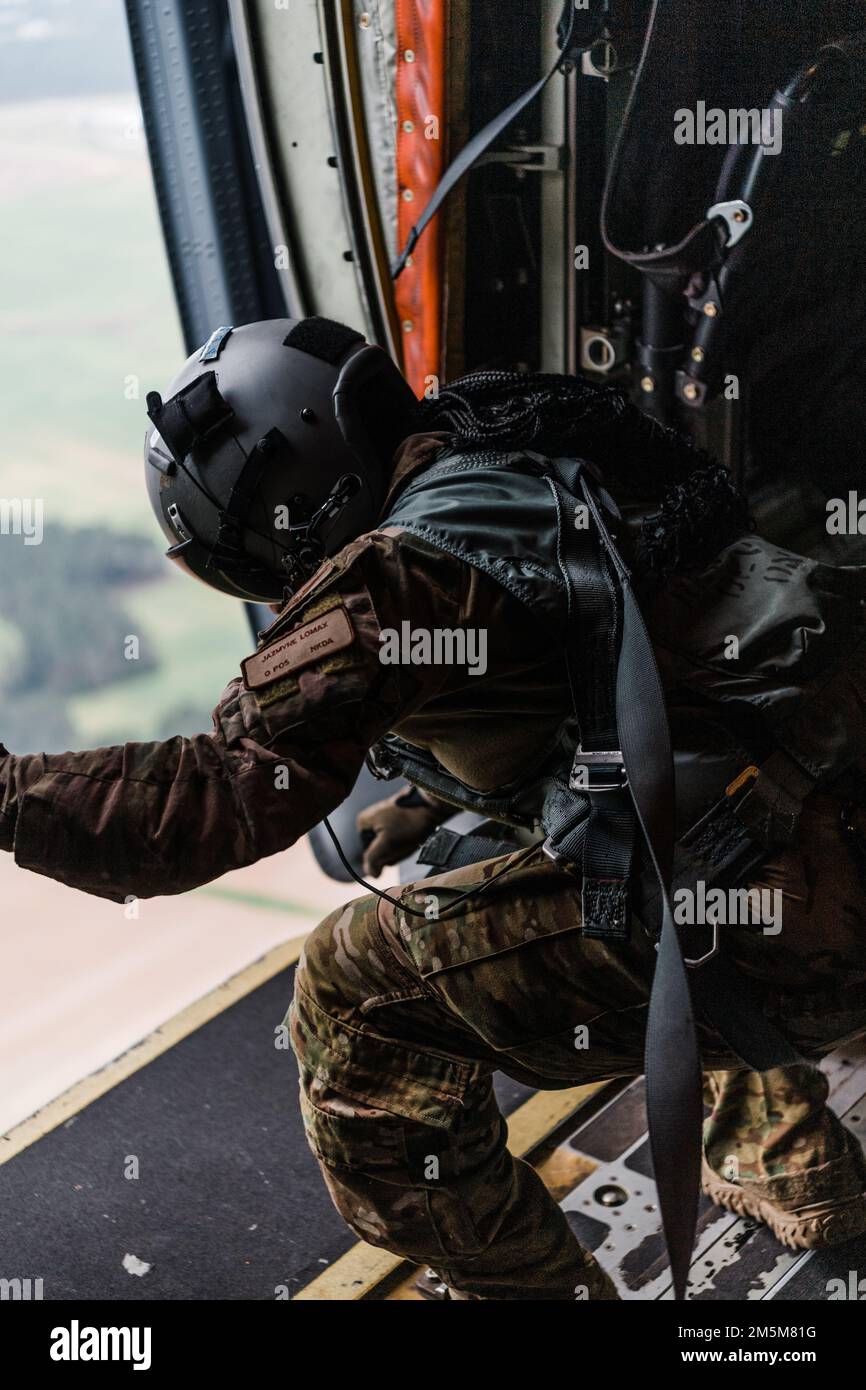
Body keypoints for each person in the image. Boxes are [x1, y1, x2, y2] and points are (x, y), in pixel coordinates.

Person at [2, 316, 865, 1301]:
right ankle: (786, 1152)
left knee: (352, 997)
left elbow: (206, 801)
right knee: (653, 826)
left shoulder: (401, 572)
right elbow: (619, 668)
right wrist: (424, 797)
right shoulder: (525, 442)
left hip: (806, 921)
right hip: (821, 785)